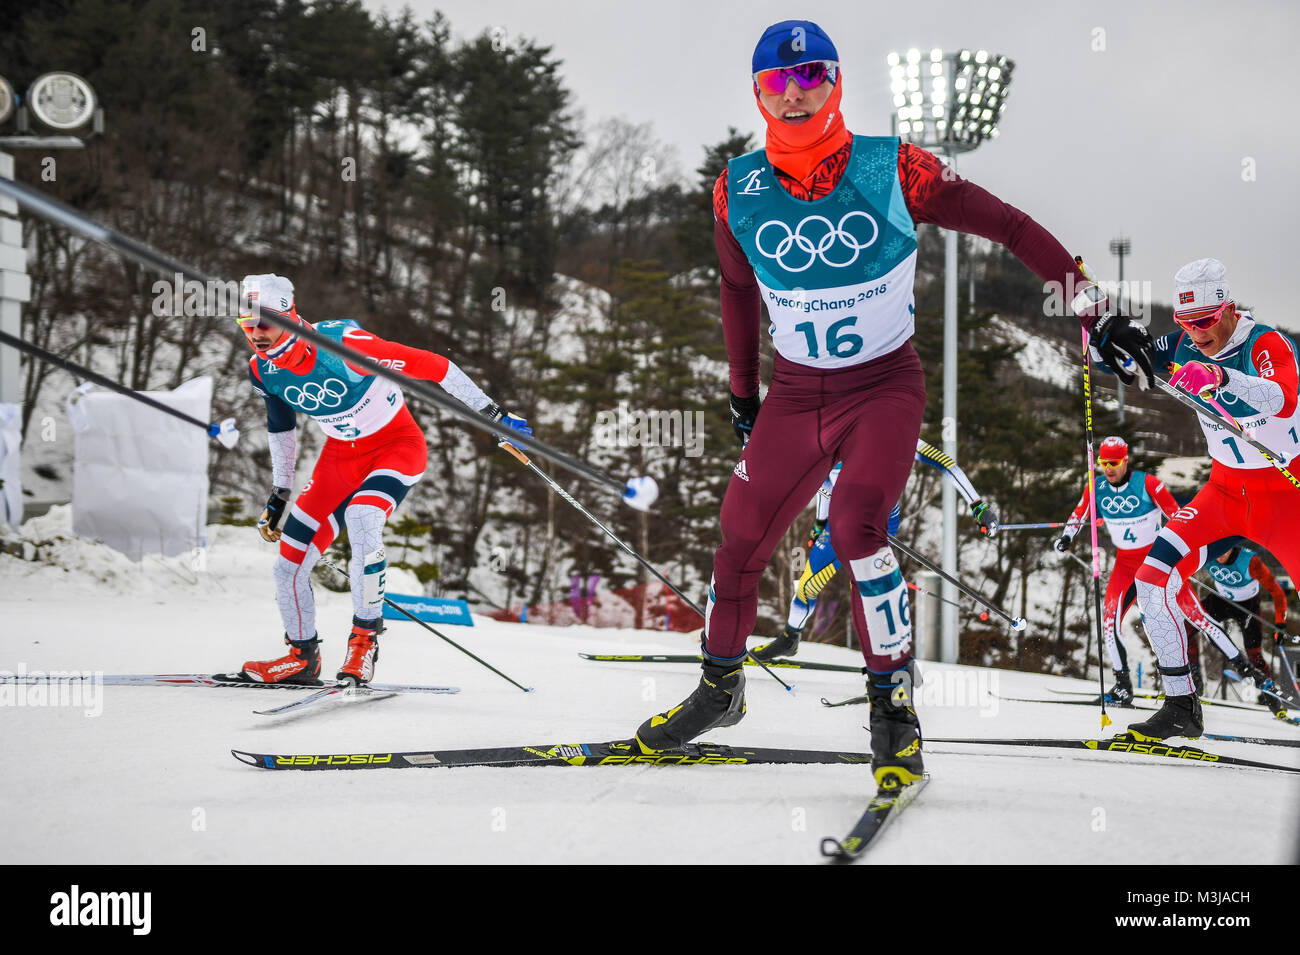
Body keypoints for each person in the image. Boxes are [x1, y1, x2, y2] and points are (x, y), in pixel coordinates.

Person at [633, 19, 1156, 791]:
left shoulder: (894, 168)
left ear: (837, 82)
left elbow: (1008, 226)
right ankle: (720, 687)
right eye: (778, 82)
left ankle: (893, 712)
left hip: (881, 386)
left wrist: (1094, 309)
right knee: (737, 537)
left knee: (856, 529)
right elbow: (738, 290)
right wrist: (743, 394)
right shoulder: (734, 188)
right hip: (795, 393)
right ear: (756, 94)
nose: (796, 94)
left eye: (812, 75)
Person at [232, 274, 530, 685]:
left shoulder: (345, 348)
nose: (257, 336)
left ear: (289, 316)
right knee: (289, 563)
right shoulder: (263, 371)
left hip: (396, 446)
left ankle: (364, 643)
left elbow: (437, 367)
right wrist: (280, 491)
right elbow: (281, 428)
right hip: (339, 459)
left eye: (264, 324)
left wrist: (493, 416)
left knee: (362, 517)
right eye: (247, 327)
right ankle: (302, 657)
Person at [1118, 258, 1300, 739]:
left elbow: (1283, 396)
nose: (1196, 334)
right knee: (1151, 578)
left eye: (1204, 321)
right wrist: (1102, 333)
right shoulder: (1180, 343)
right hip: (1223, 491)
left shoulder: (1264, 342)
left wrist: (1219, 379)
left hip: (1285, 495)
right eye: (1186, 323)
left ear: (1228, 309)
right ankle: (1181, 704)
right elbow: (1126, 355)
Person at [751, 437, 997, 662]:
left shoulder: (885, 425)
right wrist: (820, 524)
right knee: (806, 585)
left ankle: (887, 663)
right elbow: (826, 485)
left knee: (866, 589)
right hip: (841, 518)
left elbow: (943, 462)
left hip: (878, 517)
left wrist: (977, 505)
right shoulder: (825, 429)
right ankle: (789, 639)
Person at [1052, 435, 1231, 704]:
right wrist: (1068, 536)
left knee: (1192, 617)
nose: (1108, 468)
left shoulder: (1148, 483)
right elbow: (1079, 514)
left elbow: (1176, 516)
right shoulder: (1096, 486)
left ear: (1125, 461)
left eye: (1113, 462)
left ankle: (1219, 674)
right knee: (1109, 623)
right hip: (1124, 564)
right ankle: (1123, 685)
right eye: (1103, 462)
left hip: (1156, 563)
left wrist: (1189, 550)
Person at [1198, 542, 1290, 714]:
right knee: (1190, 623)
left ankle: (1269, 695)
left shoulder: (1250, 561)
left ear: (1232, 546)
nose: (1219, 556)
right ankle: (1194, 680)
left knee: (1254, 653)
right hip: (1221, 600)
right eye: (1217, 552)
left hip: (1248, 607)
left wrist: (1280, 624)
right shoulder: (1206, 554)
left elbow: (1277, 593)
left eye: (1224, 551)